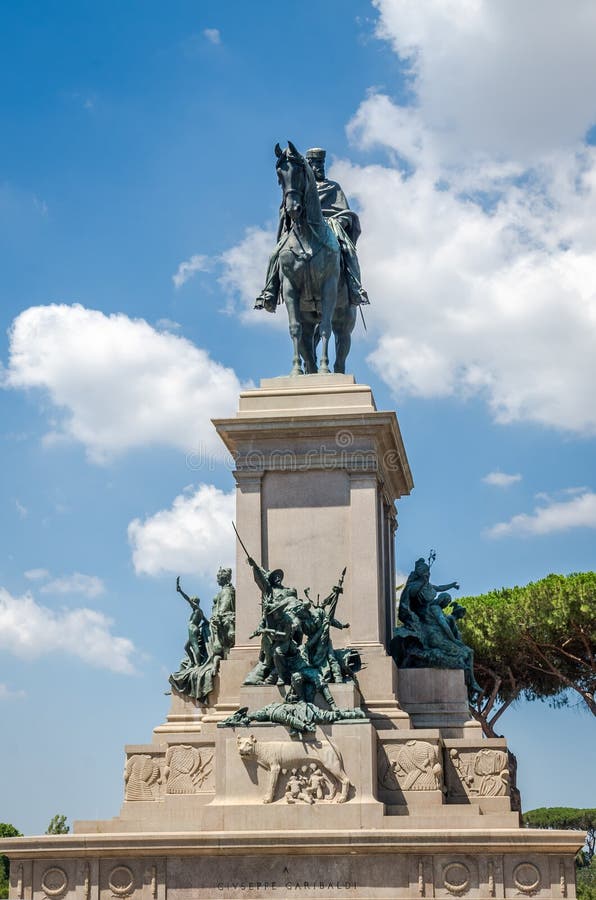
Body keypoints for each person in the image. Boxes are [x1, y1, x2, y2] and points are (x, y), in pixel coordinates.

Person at [255, 146, 369, 312]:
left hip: (330, 227)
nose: (318, 167)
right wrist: (290, 215)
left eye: (321, 164)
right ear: (308, 165)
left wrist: (336, 221)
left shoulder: (333, 187)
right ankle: (269, 292)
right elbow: (286, 208)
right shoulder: (300, 187)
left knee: (348, 249)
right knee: (275, 253)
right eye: (314, 163)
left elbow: (345, 212)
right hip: (300, 229)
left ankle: (355, 288)